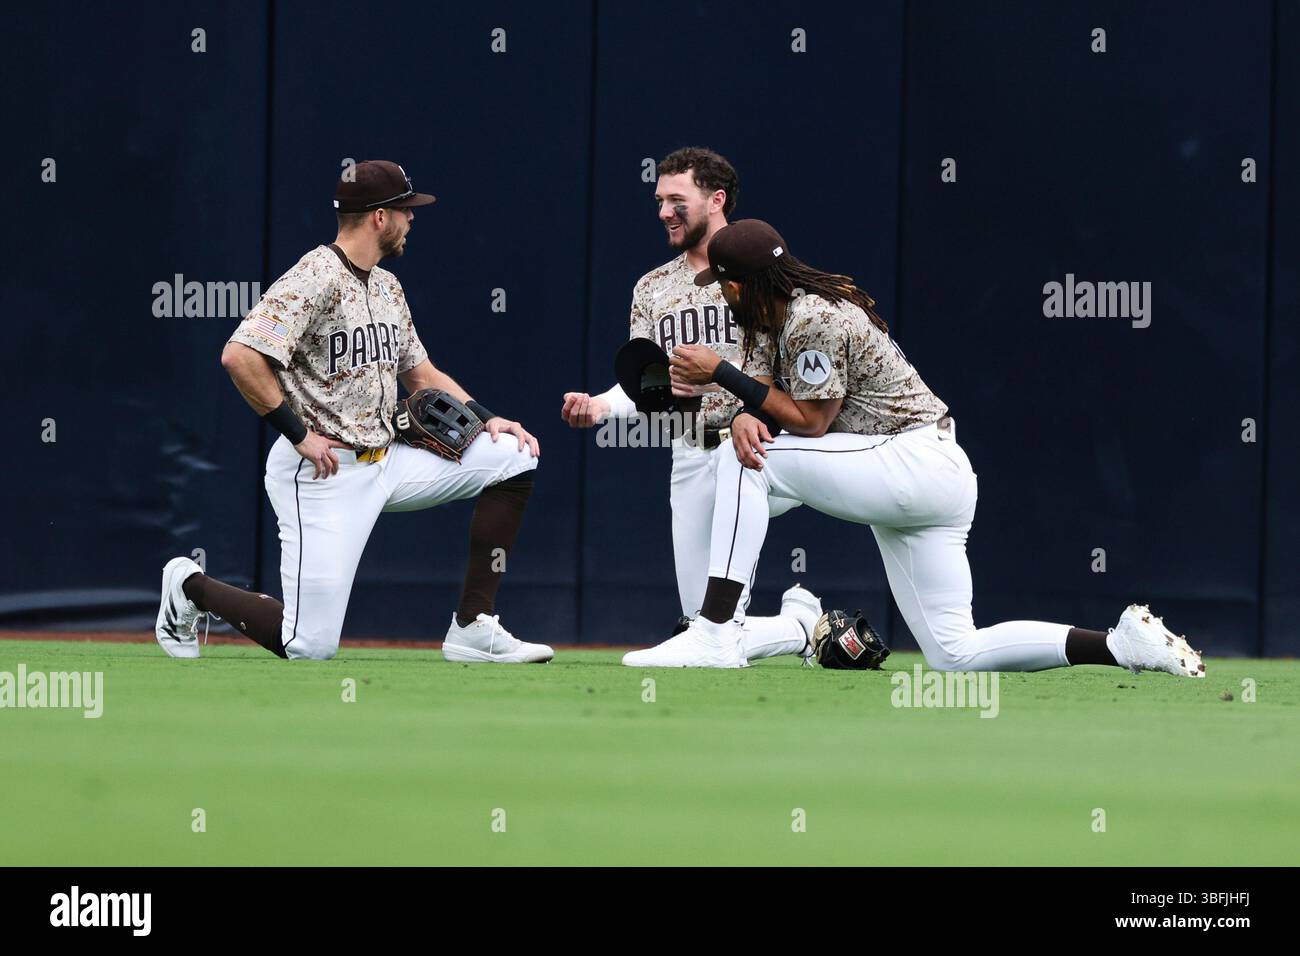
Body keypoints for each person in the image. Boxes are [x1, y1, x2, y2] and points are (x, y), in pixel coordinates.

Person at [625, 218, 1205, 678]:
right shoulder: (769, 318)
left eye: (720, 283)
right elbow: (769, 402)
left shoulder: (813, 317)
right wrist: (745, 411)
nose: (717, 293)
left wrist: (724, 377)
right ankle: (1117, 645)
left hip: (912, 461)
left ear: (735, 284)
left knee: (740, 463)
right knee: (956, 653)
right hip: (921, 475)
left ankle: (717, 631)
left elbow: (812, 420)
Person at [154, 160, 551, 663]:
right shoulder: (314, 276)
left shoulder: (387, 286)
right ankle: (188, 586)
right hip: (323, 472)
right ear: (380, 218)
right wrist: (297, 433)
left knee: (513, 456)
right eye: (407, 210)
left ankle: (472, 626)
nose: (413, 220)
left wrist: (487, 416)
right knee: (309, 645)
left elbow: (422, 374)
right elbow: (240, 355)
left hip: (388, 461)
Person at [561, 148, 818, 664]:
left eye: (677, 200)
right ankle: (799, 626)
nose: (663, 212)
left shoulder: (759, 268)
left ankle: (789, 626)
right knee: (699, 621)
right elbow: (649, 387)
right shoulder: (653, 288)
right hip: (690, 452)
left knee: (712, 628)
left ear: (715, 199)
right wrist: (600, 407)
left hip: (757, 449)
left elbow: (797, 366)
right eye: (659, 201)